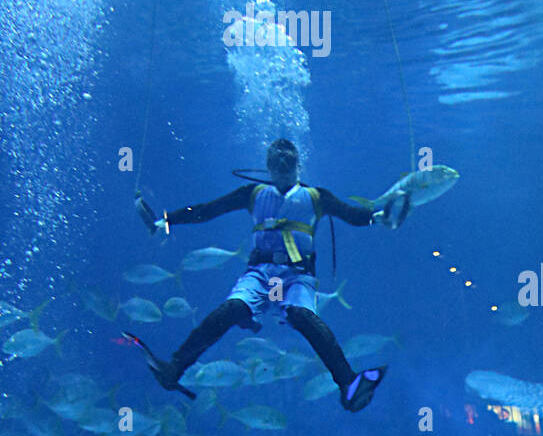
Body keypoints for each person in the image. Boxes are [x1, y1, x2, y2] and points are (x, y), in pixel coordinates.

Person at [141, 138, 396, 413]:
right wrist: (166, 220)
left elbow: (352, 214)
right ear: (268, 167)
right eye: (278, 164)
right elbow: (207, 210)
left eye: (288, 163)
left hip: (296, 276)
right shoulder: (254, 193)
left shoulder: (316, 197)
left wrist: (379, 216)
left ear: (299, 165)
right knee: (231, 309)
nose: (283, 169)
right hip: (261, 274)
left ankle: (348, 383)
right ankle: (175, 368)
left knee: (301, 316)